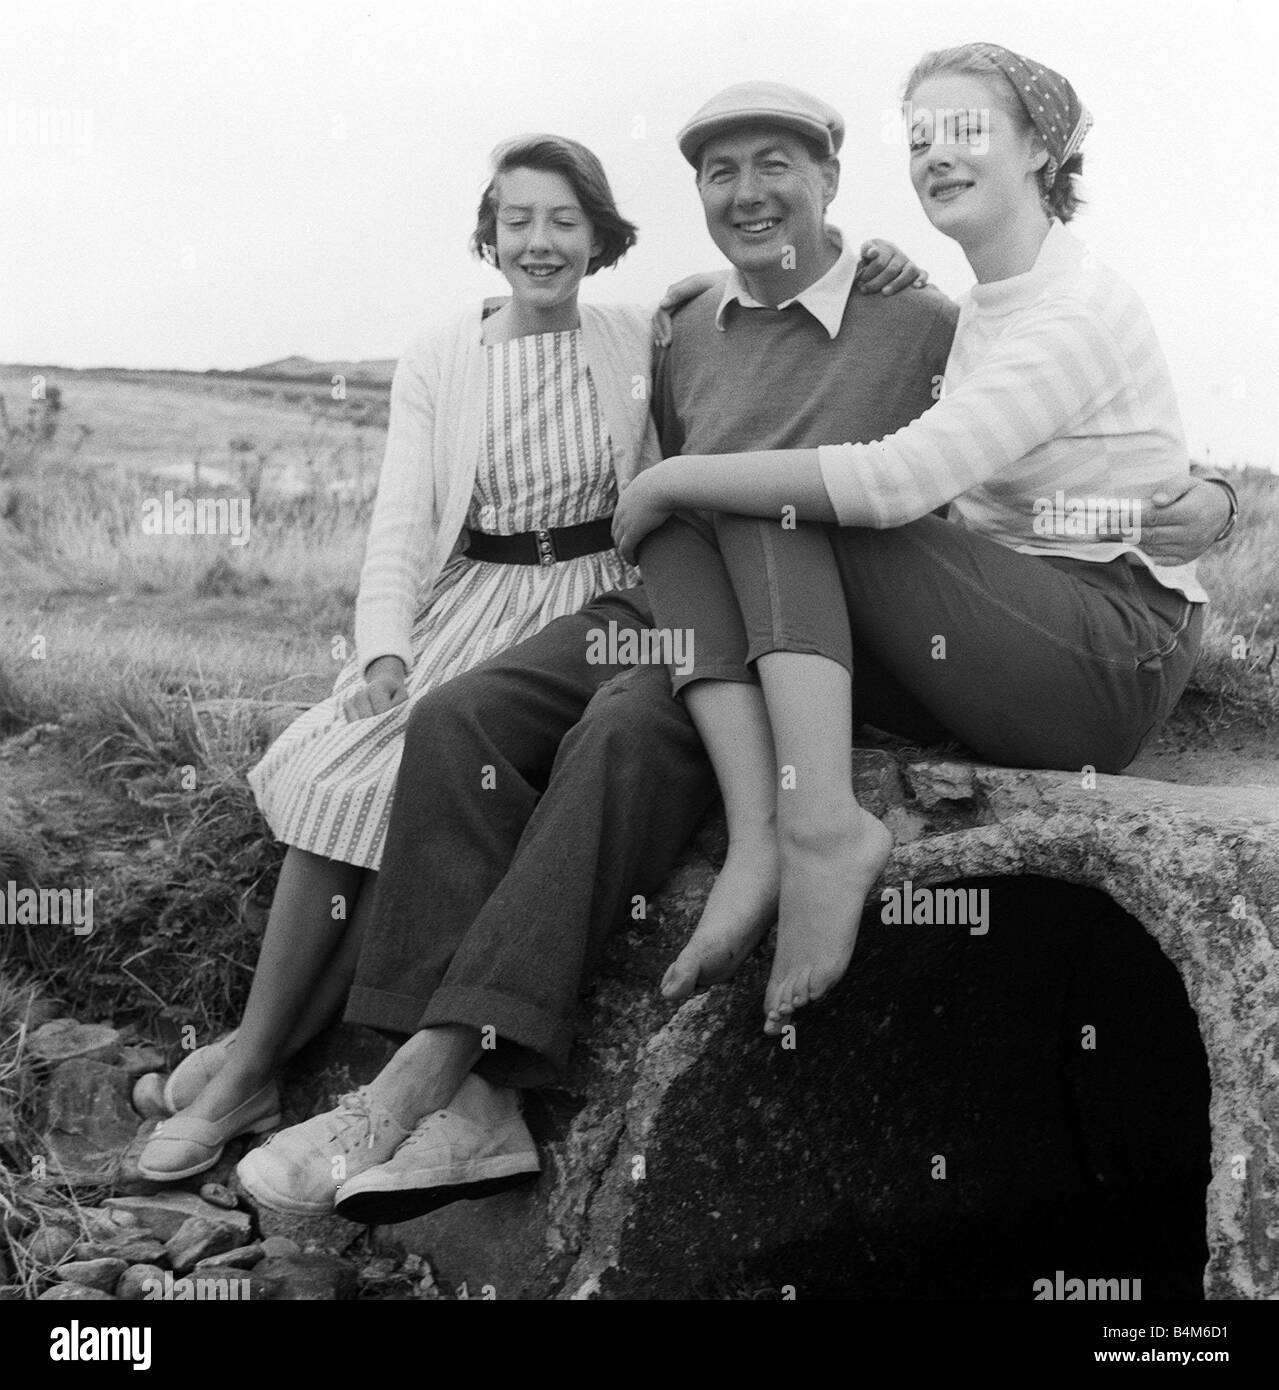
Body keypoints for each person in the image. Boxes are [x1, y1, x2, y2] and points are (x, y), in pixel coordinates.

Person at [227, 80, 1234, 1223]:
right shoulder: (683, 328)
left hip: (806, 643)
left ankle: (452, 1076)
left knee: (622, 730)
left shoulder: (924, 322)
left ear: (830, 181)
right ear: (697, 193)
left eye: (777, 165)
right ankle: (441, 1087)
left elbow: (1032, 464)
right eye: (721, 171)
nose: (749, 192)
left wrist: (1204, 498)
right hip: (673, 598)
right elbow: (667, 516)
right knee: (462, 715)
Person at [142, 128, 924, 1185]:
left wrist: (871, 253)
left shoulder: (632, 331)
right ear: (489, 234)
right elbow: (400, 522)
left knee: (476, 761)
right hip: (485, 598)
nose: (541, 241)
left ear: (598, 236)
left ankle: (300, 1069)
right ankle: (257, 1056)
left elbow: (741, 281)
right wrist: (382, 642)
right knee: (377, 760)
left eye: (565, 220)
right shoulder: (442, 353)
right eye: (519, 221)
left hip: (611, 584)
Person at [613, 44, 1229, 1037]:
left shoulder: (1072, 307)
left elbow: (897, 480)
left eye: (967, 130)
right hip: (1000, 638)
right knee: (697, 522)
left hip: (1106, 654)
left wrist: (670, 472)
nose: (936, 154)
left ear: (1041, 148)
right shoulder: (980, 304)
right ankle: (763, 835)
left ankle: (823, 831)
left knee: (748, 492)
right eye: (921, 137)